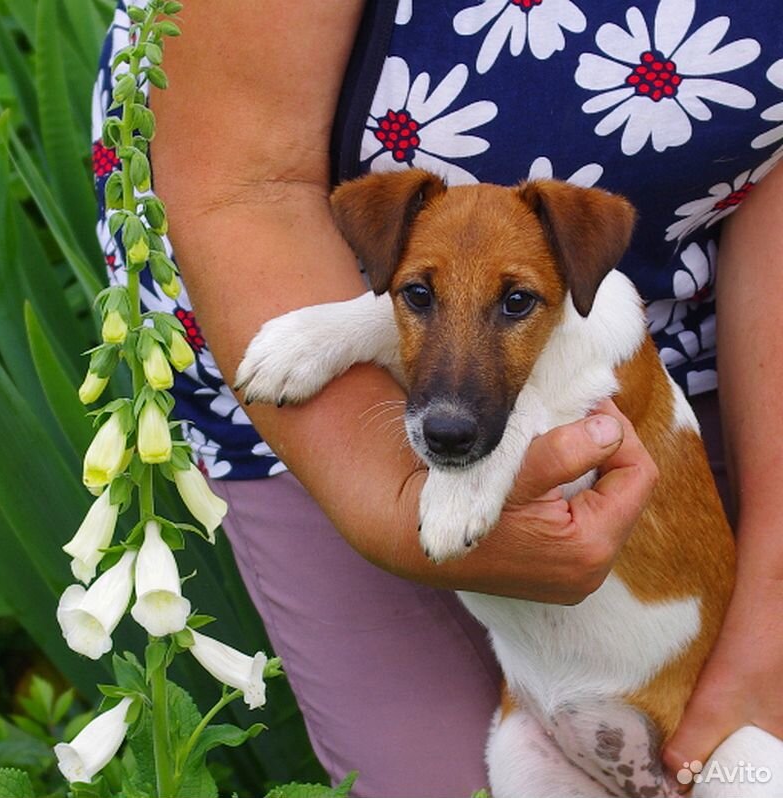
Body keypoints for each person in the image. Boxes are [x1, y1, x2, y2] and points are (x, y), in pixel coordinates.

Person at [93, 2, 783, 795]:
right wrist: (380, 486)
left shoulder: (599, 334)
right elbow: (242, 183)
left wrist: (774, 607)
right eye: (414, 294)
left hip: (712, 390)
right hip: (531, 718)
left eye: (518, 302)